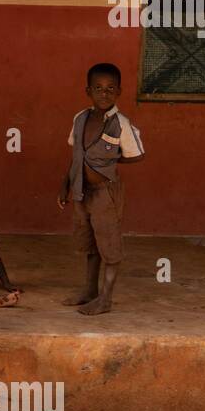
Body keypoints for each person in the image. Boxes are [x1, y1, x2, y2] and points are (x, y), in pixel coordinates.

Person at [57, 63, 146, 315]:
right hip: (81, 192)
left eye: (110, 89)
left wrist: (110, 161)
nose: (104, 94)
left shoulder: (121, 123)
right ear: (88, 91)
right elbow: (75, 156)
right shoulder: (80, 119)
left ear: (118, 91)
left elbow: (137, 155)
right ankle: (89, 290)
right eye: (98, 88)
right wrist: (64, 185)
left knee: (109, 246)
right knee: (90, 244)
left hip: (106, 193)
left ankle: (105, 298)